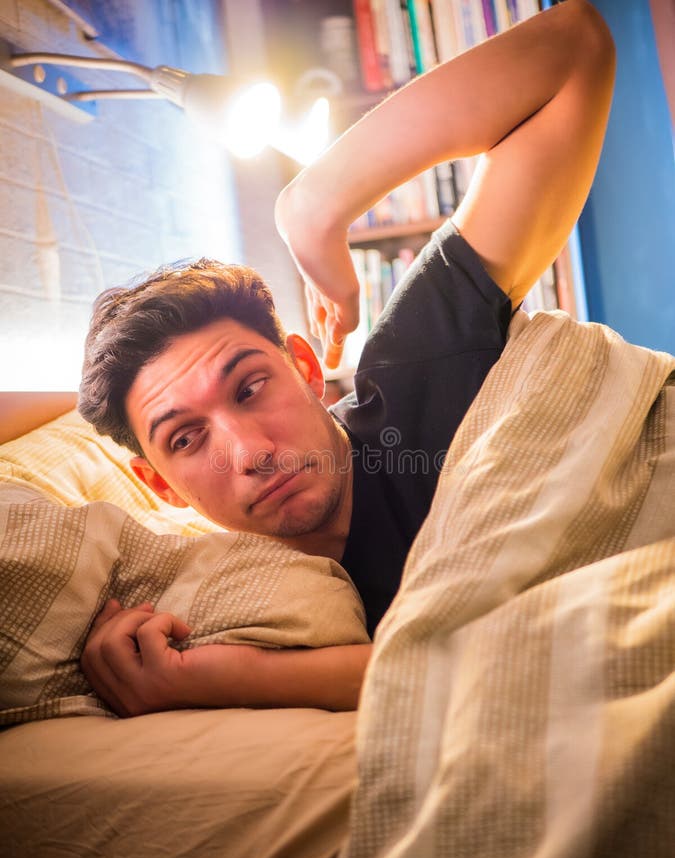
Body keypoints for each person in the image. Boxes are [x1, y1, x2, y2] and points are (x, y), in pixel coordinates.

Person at [78, 0, 615, 717]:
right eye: (185, 438)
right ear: (160, 485)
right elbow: (512, 656)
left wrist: (315, 202)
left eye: (249, 388)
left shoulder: (411, 366)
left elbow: (572, 48)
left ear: (305, 368)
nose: (249, 452)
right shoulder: (240, 608)